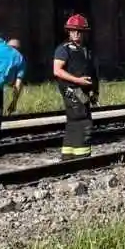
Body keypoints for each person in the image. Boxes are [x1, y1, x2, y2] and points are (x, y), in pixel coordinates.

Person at [52, 13, 100, 160]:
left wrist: (93, 92)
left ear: (85, 33)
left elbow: (91, 72)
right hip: (71, 89)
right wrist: (77, 81)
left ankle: (68, 155)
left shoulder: (86, 50)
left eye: (79, 31)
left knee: (74, 120)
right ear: (69, 32)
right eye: (73, 30)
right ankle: (82, 157)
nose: (76, 33)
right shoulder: (64, 49)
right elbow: (57, 70)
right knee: (82, 119)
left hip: (82, 89)